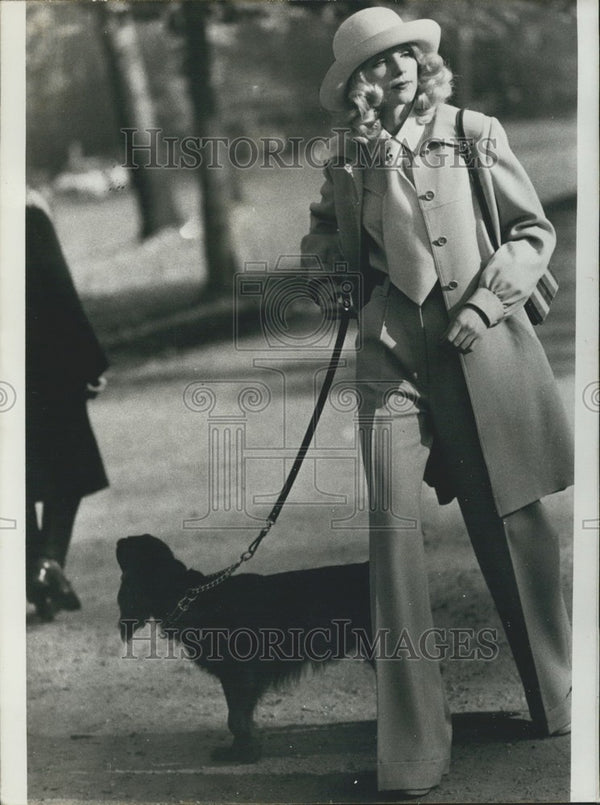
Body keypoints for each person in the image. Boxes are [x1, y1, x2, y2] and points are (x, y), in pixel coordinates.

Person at [301, 7, 573, 797]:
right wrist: (331, 280)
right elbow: (323, 237)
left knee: (510, 516)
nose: (392, 72)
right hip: (390, 352)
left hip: (476, 341)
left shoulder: (474, 133)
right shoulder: (348, 155)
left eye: (402, 57)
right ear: (354, 85)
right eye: (373, 66)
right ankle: (413, 747)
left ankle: (555, 691)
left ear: (424, 62)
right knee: (393, 537)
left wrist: (487, 304)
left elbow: (531, 232)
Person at [26, 189, 109, 621]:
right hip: (46, 364)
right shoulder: (27, 214)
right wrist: (89, 360)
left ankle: (34, 570)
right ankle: (47, 561)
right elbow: (59, 290)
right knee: (68, 469)